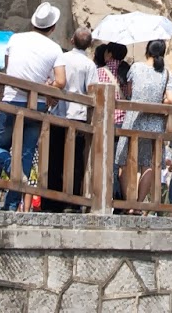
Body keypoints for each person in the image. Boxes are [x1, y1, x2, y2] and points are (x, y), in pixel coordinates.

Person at [0, 3, 65, 211]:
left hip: (12, 98)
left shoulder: (15, 39)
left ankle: (12, 170)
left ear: (34, 23)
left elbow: (9, 68)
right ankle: (12, 203)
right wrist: (48, 86)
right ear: (52, 28)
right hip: (38, 104)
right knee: (26, 153)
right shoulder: (54, 49)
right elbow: (61, 81)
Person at [42, 26, 96, 211]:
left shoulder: (62, 58)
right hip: (79, 116)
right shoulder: (89, 65)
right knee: (75, 161)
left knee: (55, 157)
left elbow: (52, 81)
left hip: (58, 112)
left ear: (72, 40)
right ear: (89, 44)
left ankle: (50, 201)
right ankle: (72, 202)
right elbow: (92, 90)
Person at [123, 39, 172, 204]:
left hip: (134, 118)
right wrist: (159, 101)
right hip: (154, 123)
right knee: (148, 165)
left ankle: (128, 203)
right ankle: (139, 203)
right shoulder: (167, 73)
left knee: (126, 161)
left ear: (147, 50)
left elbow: (130, 91)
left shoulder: (135, 67)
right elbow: (171, 99)